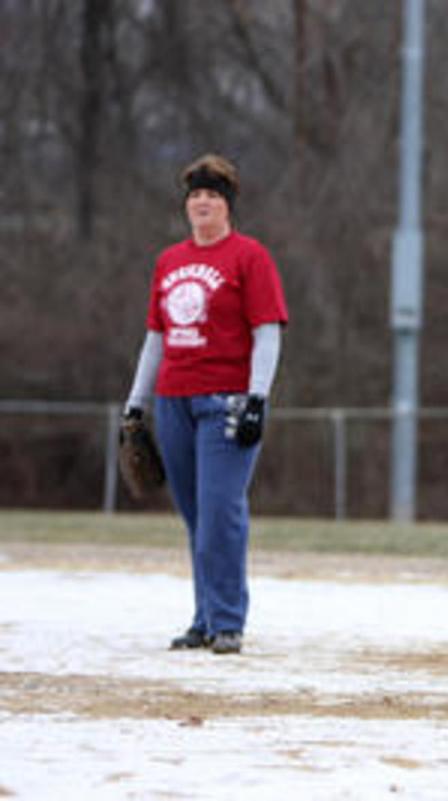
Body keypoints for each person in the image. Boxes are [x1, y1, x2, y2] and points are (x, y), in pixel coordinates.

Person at [123, 153, 288, 655]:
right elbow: (156, 337)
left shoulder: (249, 257)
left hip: (227, 401)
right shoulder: (169, 262)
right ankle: (204, 618)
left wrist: (257, 398)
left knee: (221, 512)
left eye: (212, 196)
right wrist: (136, 403)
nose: (202, 203)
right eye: (195, 195)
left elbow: (267, 333)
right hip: (174, 399)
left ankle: (228, 621)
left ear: (227, 206)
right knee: (196, 516)